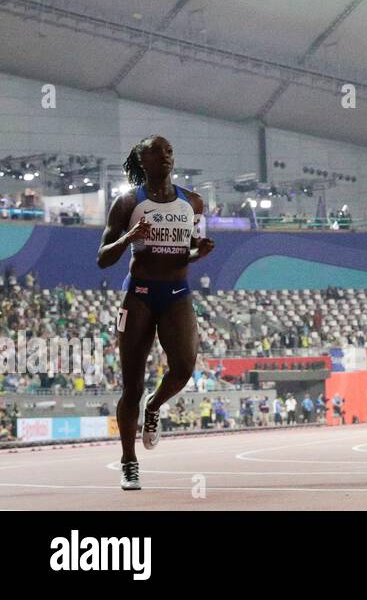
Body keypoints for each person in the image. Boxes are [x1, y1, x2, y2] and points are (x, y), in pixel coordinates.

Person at [97, 136, 215, 489]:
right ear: (142, 160)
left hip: (177, 293)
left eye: (169, 151)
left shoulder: (192, 202)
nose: (165, 156)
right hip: (139, 295)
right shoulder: (128, 202)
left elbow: (184, 249)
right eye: (156, 152)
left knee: (184, 367)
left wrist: (199, 252)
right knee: (130, 384)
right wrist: (130, 235)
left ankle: (154, 406)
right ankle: (128, 462)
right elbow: (103, 258)